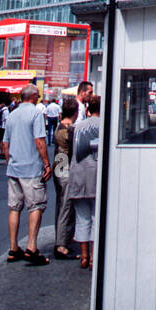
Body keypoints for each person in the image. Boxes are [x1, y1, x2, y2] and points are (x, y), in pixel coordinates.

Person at [2, 83, 51, 264]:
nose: (38, 98)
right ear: (32, 97)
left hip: (14, 168)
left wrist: (10, 163)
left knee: (14, 207)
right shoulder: (36, 113)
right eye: (37, 95)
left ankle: (14, 248)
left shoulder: (12, 115)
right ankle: (32, 247)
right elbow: (39, 141)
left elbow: (5, 145)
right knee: (36, 206)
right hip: (31, 168)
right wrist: (46, 164)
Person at [67, 94, 100, 268]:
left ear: (87, 110)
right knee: (96, 217)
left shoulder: (75, 128)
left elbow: (68, 153)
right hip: (97, 176)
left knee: (82, 218)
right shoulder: (107, 126)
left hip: (78, 176)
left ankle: (84, 256)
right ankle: (94, 256)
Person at [53, 95, 80, 261]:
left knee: (60, 203)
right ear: (75, 112)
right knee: (66, 206)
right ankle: (61, 245)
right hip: (66, 165)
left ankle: (60, 238)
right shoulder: (71, 130)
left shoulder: (59, 126)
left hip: (58, 162)